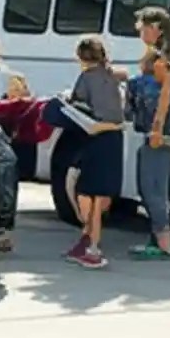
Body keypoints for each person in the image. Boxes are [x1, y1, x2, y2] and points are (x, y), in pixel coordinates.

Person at [64, 36, 125, 269]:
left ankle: (92, 247)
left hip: (95, 136)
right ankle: (88, 241)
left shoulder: (86, 77)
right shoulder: (112, 75)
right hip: (115, 138)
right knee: (100, 195)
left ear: (80, 57)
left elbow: (77, 104)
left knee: (85, 192)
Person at [129, 6, 170, 259]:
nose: (141, 35)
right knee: (155, 185)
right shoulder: (162, 57)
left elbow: (165, 97)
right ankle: (159, 239)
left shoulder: (162, 61)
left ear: (156, 29)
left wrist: (156, 129)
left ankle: (163, 242)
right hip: (159, 132)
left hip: (159, 133)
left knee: (152, 187)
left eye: (143, 29)